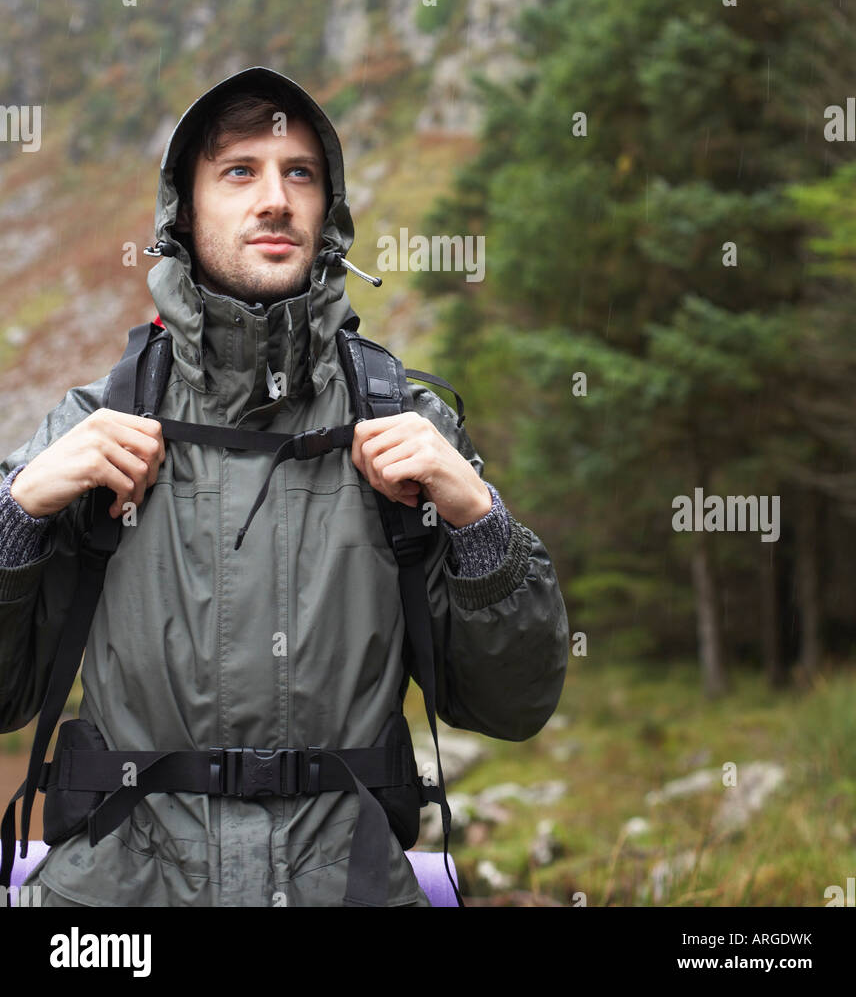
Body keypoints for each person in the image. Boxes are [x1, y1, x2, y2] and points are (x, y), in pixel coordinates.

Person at [0, 64, 570, 907]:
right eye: (241, 171)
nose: (275, 199)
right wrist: (14, 519)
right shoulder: (94, 425)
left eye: (299, 173)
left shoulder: (404, 427)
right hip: (119, 901)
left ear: (327, 212)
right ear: (183, 214)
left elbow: (514, 704)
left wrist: (480, 520)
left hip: (347, 888)